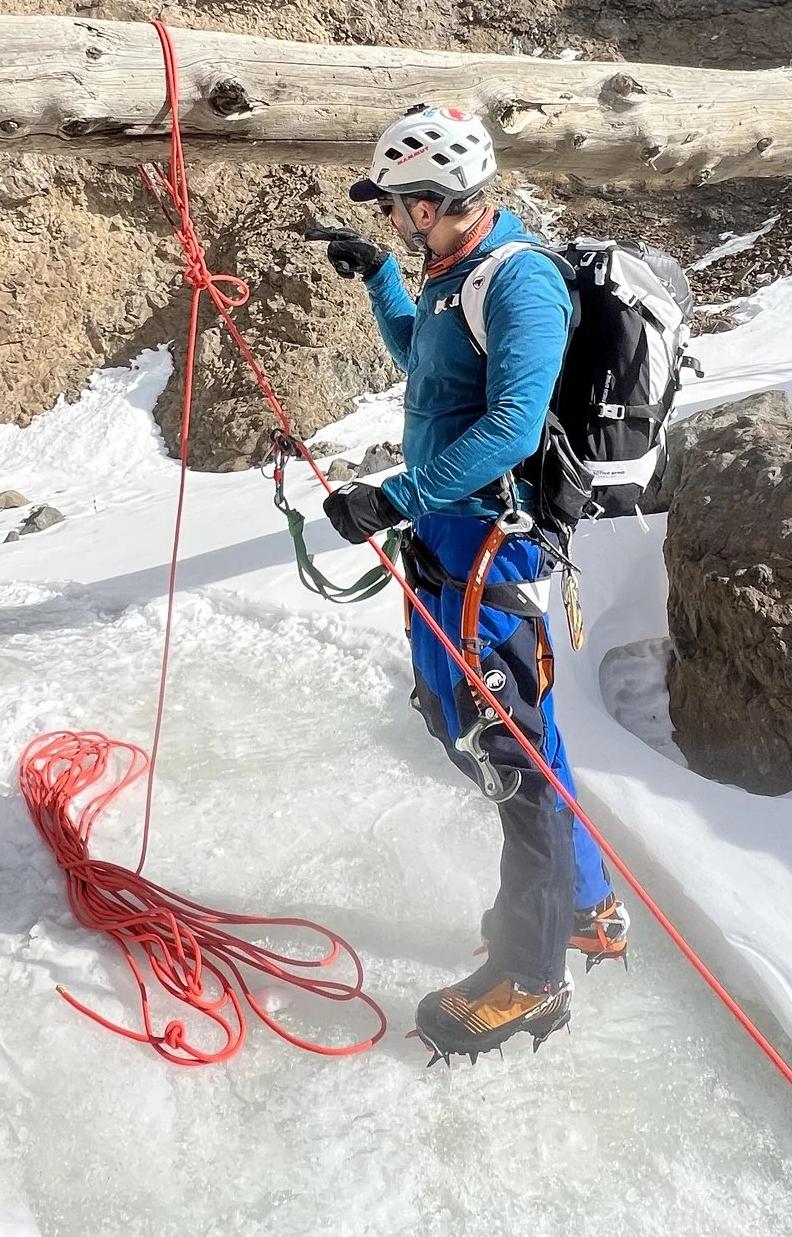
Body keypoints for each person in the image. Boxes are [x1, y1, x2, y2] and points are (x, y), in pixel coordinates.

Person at [309, 105, 628, 1063]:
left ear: (446, 199)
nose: (398, 221)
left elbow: (512, 429)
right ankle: (586, 903)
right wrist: (379, 284)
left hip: (493, 544)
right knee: (489, 725)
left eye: (404, 207)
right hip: (450, 536)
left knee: (508, 748)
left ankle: (531, 976)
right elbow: (430, 376)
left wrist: (395, 495)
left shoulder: (519, 281)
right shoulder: (452, 276)